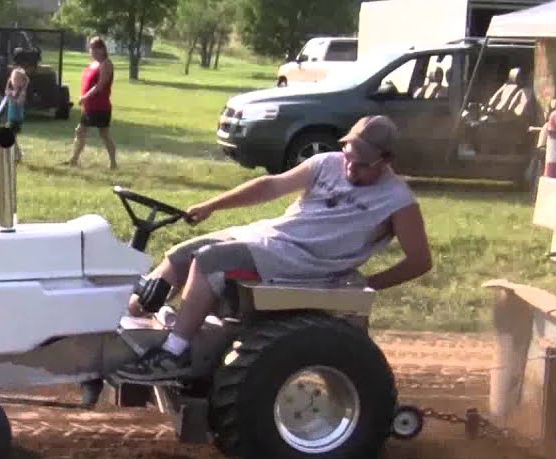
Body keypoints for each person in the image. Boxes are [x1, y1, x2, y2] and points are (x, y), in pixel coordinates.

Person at [114, 115, 434, 383]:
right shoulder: (326, 163)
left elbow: (420, 260)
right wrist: (212, 205)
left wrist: (369, 284)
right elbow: (271, 186)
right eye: (348, 157)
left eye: (362, 165)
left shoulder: (397, 201)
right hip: (273, 239)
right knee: (183, 253)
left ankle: (171, 355)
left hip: (307, 262)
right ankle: (124, 328)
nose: (350, 168)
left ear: (387, 159)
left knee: (210, 261)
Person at [67, 36, 116, 170]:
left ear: (101, 49)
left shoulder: (106, 64)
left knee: (104, 135)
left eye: (94, 49)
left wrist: (84, 97)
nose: (92, 51)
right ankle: (74, 159)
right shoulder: (93, 64)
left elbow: (100, 86)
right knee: (80, 131)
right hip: (89, 106)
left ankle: (113, 163)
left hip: (100, 106)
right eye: (90, 49)